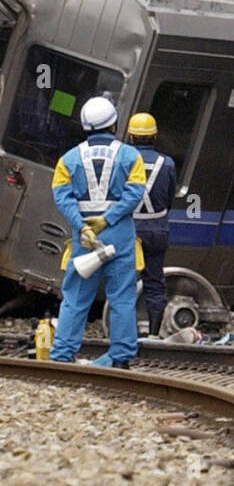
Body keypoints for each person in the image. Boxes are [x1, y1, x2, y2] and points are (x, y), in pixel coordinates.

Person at [49, 96, 147, 368]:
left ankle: (62, 355)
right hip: (119, 235)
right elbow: (135, 192)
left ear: (85, 127)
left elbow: (61, 195)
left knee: (76, 296)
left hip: (85, 238)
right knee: (122, 297)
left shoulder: (68, 159)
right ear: (114, 124)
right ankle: (121, 356)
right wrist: (108, 219)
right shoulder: (131, 156)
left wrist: (82, 225)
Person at [126, 112, 176, 338]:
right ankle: (154, 334)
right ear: (155, 137)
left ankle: (124, 333)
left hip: (129, 230)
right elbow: (169, 199)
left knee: (124, 281)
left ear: (131, 136)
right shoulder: (167, 164)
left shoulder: (123, 160)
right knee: (154, 281)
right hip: (157, 230)